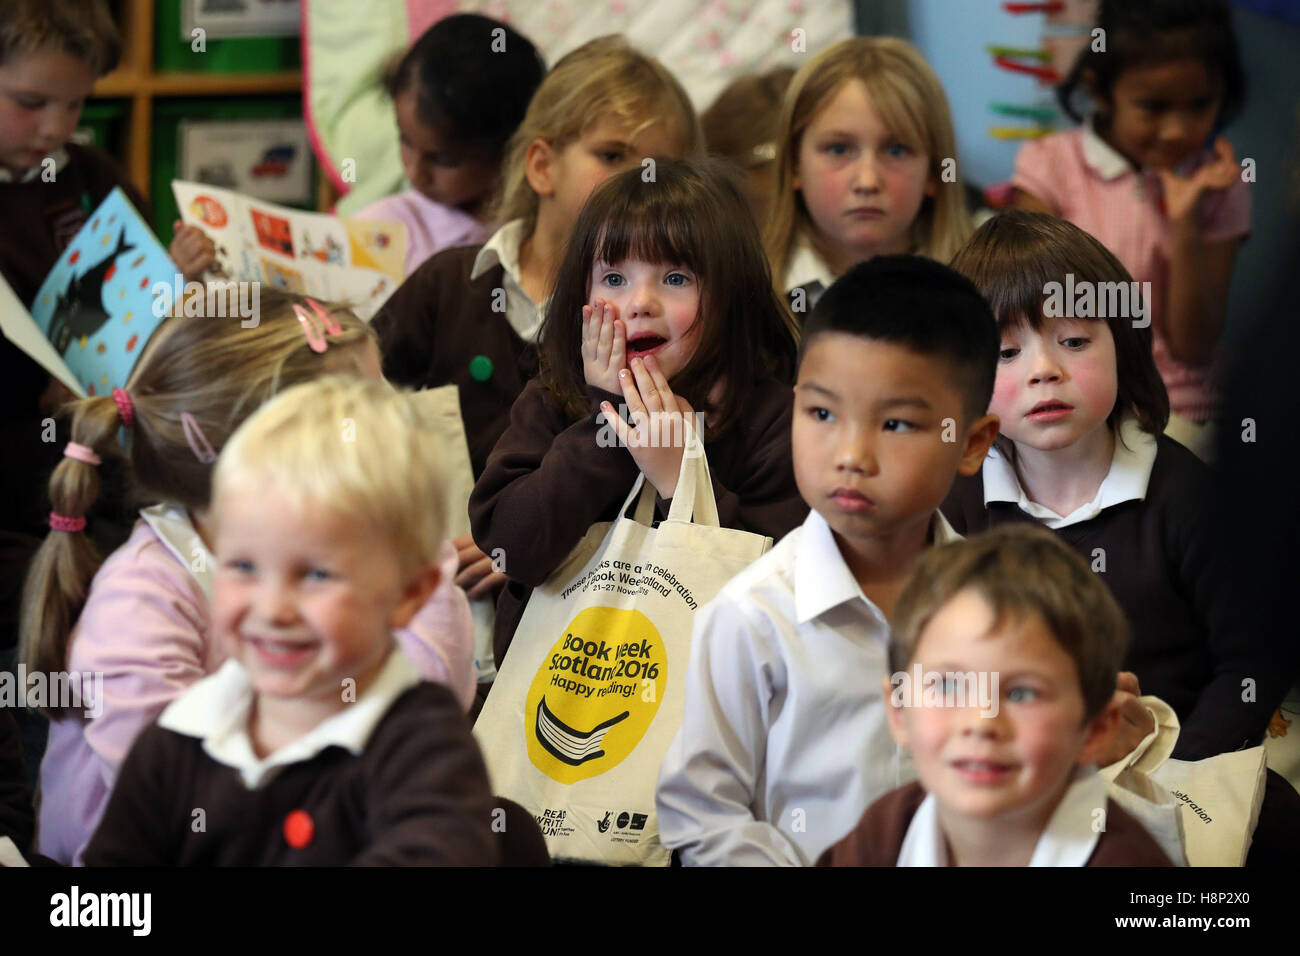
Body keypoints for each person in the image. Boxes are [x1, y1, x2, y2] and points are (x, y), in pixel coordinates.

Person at [23, 291, 474, 865]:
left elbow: (431, 694)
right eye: (363, 408)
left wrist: (408, 542)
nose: (397, 413)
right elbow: (191, 814)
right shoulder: (141, 598)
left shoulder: (343, 550)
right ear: (262, 447)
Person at [655, 255, 1000, 865]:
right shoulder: (752, 615)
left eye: (896, 423)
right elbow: (704, 815)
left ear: (970, 443)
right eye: (821, 413)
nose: (851, 454)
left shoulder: (1003, 610)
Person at [944, 211, 1281, 761]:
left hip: (1171, 771)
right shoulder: (957, 500)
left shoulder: (1187, 499)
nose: (1044, 369)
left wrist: (1173, 779)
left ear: (1123, 346)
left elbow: (1251, 666)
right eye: (1007, 353)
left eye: (1074, 340)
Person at [469, 158, 804, 669]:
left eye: (674, 278)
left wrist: (679, 481)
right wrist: (606, 425)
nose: (639, 303)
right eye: (614, 278)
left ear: (731, 294)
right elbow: (512, 548)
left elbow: (769, 593)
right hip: (555, 690)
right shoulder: (554, 398)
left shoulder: (773, 419)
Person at [0, 0, 211, 656]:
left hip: (98, 462)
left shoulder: (92, 180)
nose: (56, 127)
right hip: (8, 483)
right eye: (31, 102)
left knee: (133, 601)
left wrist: (176, 278)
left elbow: (144, 320)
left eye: (76, 105)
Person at [821, 525, 1173, 867]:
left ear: (1096, 729)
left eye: (1021, 693)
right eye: (948, 686)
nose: (981, 722)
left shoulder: (1128, 860)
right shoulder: (886, 831)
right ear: (899, 711)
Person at [1011, 0, 1250, 448]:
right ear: (1099, 90)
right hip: (1075, 393)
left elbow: (1193, 348)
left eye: (1200, 105)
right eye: (1153, 107)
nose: (1177, 130)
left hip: (1181, 406)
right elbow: (1034, 317)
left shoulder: (1221, 186)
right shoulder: (1050, 168)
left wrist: (1185, 225)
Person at [763, 36, 971, 316]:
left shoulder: (983, 296)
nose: (867, 182)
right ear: (794, 166)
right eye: (838, 149)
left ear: (934, 172)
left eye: (897, 150)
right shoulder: (750, 302)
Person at [352, 14, 545, 275]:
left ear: (513, 149)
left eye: (444, 160)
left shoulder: (541, 232)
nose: (414, 173)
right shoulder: (383, 229)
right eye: (405, 141)